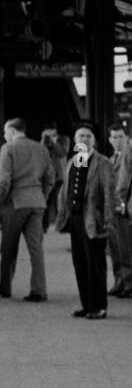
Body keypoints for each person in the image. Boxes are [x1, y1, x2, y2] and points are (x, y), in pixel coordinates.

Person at [55, 122, 117, 319]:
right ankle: (87, 304)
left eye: (88, 136)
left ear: (95, 141)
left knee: (95, 263)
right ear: (75, 140)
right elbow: (67, 188)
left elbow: (109, 192)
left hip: (93, 218)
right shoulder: (74, 161)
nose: (85, 139)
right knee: (79, 262)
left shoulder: (103, 162)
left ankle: (99, 307)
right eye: (81, 136)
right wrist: (62, 213)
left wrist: (108, 217)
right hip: (75, 218)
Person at [0, 118, 54, 301]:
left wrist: (1, 199)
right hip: (37, 203)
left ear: (12, 131)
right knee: (36, 249)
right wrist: (42, 196)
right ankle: (38, 291)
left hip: (15, 203)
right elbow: (50, 178)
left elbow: (4, 179)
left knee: (8, 247)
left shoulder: (8, 149)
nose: (4, 136)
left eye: (5, 132)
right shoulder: (41, 148)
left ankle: (5, 286)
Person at [108, 121, 132, 297]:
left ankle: (128, 282)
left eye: (121, 137)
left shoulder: (128, 156)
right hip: (112, 208)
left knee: (125, 247)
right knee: (114, 247)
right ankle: (119, 280)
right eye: (114, 137)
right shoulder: (110, 160)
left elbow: (123, 183)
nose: (118, 140)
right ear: (109, 140)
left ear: (127, 138)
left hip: (123, 207)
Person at [41, 123, 71, 232]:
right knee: (45, 202)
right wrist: (43, 140)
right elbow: (41, 153)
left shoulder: (64, 139)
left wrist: (54, 142)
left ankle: (62, 225)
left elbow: (62, 153)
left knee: (61, 202)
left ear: (55, 130)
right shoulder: (45, 141)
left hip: (60, 176)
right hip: (47, 176)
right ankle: (44, 226)